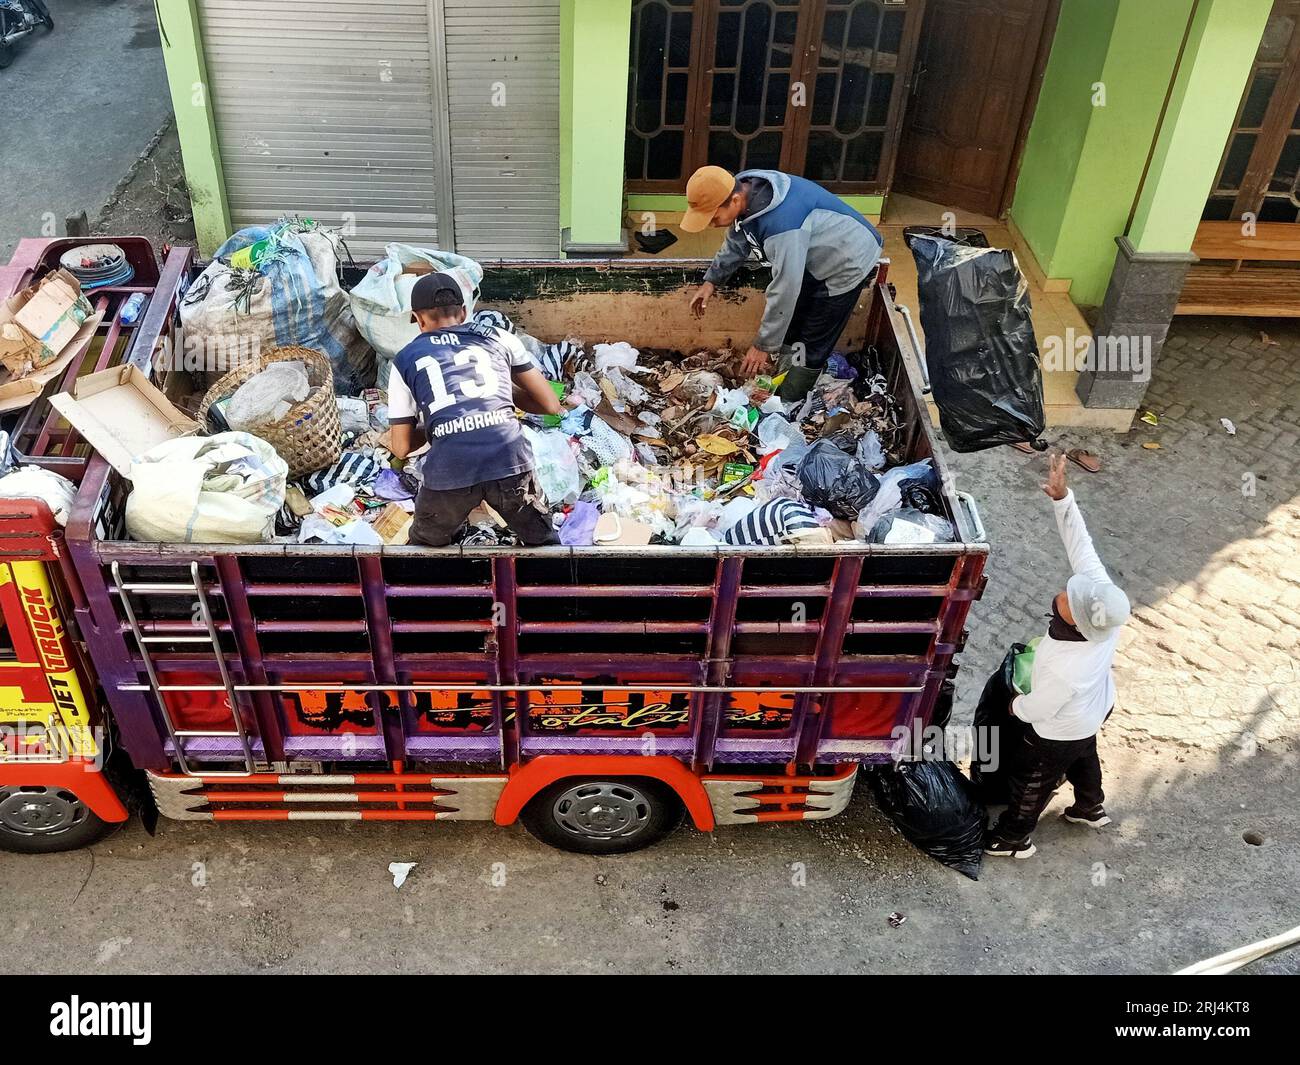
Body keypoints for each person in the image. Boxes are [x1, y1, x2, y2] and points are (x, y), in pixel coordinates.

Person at [985, 454, 1131, 859]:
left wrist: (1015, 705)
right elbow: (1082, 548)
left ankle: (1015, 838)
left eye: (1070, 599)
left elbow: (1041, 707)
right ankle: (1090, 807)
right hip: (1092, 711)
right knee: (1084, 753)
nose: (1065, 593)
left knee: (1032, 780)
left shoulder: (1070, 666)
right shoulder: (1104, 605)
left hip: (1056, 728)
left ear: (1079, 620)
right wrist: (1063, 498)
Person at [387, 272, 562, 547]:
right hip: (508, 459)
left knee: (425, 543)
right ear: (465, 312)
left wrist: (441, 426)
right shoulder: (499, 337)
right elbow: (550, 404)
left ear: (418, 319)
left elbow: (400, 448)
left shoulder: (405, 359)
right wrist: (501, 397)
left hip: (449, 469)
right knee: (542, 541)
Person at [681, 165, 884, 396]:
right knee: (793, 326)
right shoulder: (743, 190)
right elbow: (738, 238)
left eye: (713, 216)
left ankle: (788, 401)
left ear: (735, 200)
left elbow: (786, 289)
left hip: (847, 260)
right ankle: (785, 376)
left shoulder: (783, 225)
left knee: (811, 339)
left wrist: (762, 347)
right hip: (811, 257)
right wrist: (711, 281)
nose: (712, 223)